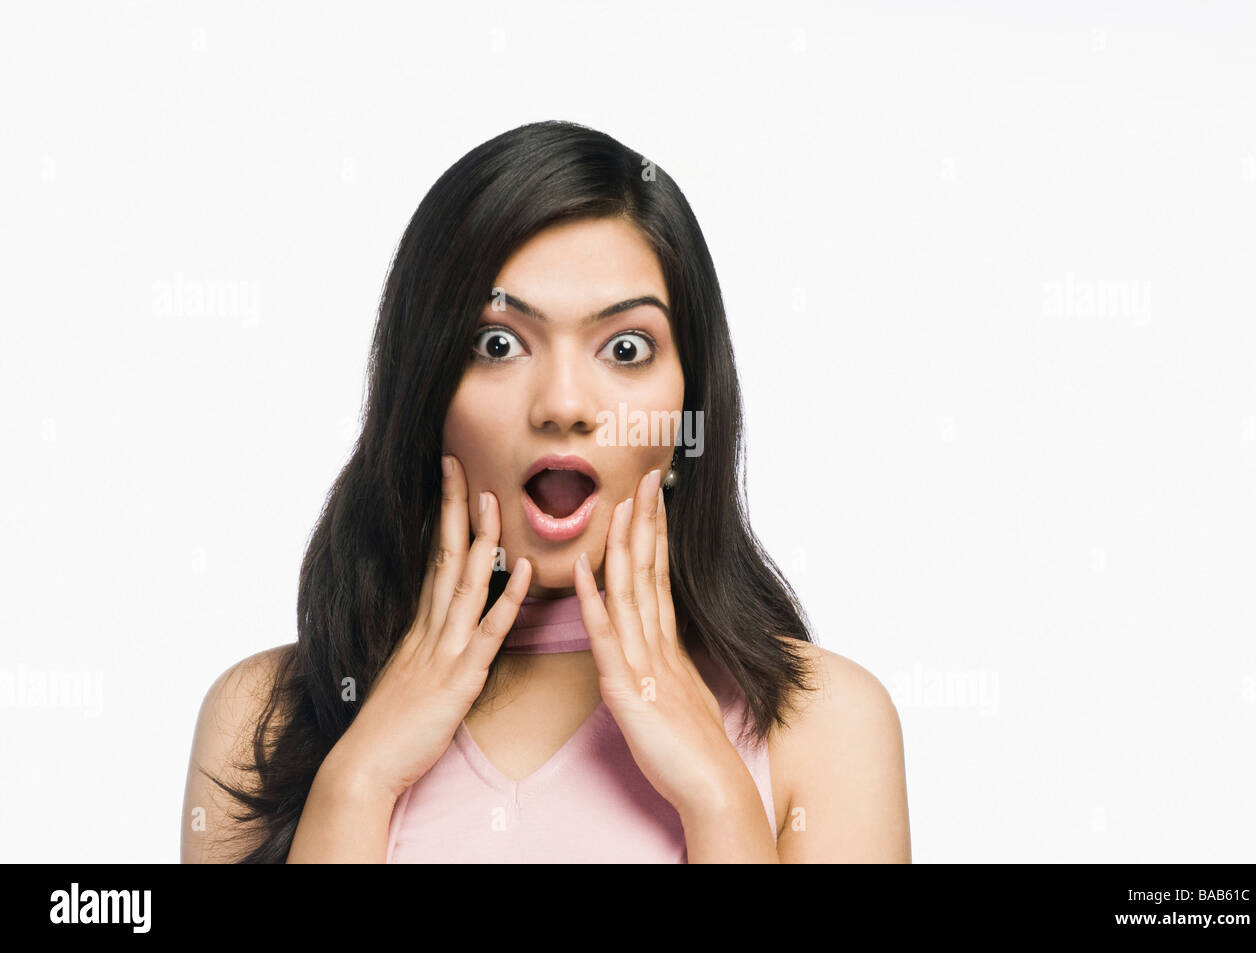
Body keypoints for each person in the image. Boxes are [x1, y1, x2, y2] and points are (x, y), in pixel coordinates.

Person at [180, 120, 910, 863]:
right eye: (498, 343)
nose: (563, 403)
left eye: (626, 348)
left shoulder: (826, 725)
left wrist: (719, 798)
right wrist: (358, 782)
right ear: (424, 397)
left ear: (689, 419)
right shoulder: (261, 719)